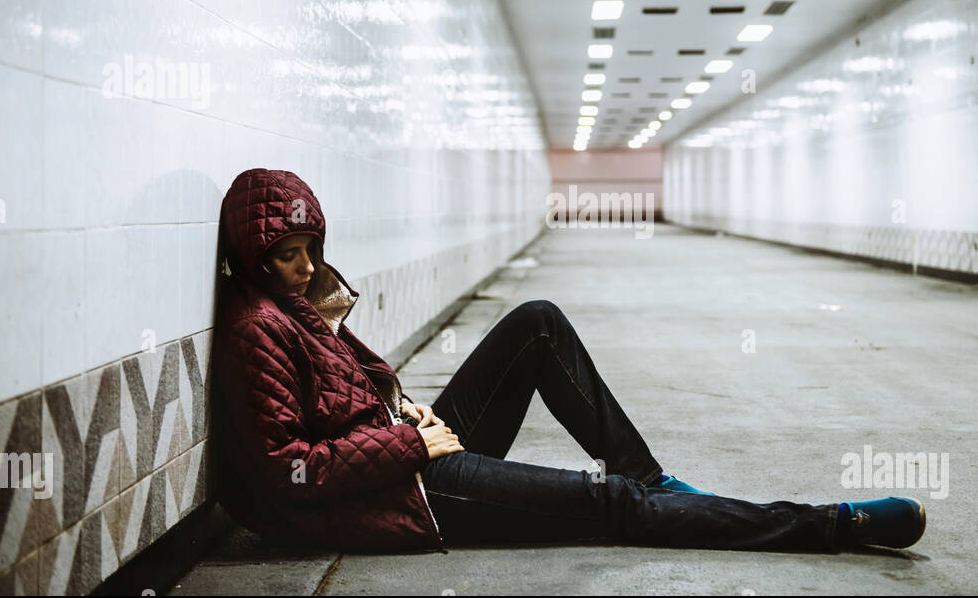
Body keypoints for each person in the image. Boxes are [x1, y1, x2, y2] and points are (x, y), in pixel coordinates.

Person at [210, 168, 926, 556]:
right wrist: (407, 442)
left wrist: (404, 410)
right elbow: (288, 469)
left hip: (405, 454)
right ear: (252, 253)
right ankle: (828, 525)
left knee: (538, 325)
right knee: (608, 506)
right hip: (405, 495)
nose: (306, 269)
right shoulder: (255, 329)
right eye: (287, 255)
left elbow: (341, 401)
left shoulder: (291, 308)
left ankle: (651, 476)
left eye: (313, 250)